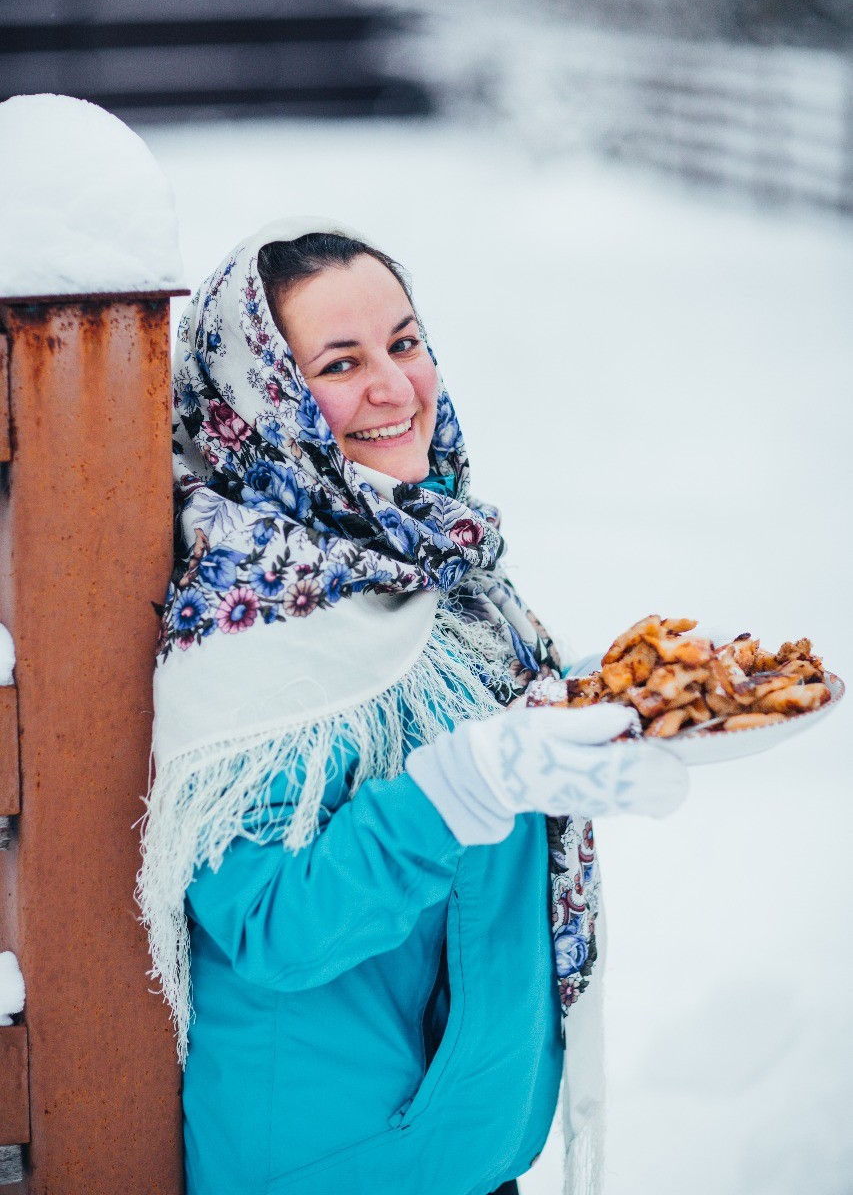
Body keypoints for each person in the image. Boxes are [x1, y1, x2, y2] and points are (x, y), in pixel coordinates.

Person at [137, 217, 688, 1195]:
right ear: (263, 400)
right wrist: (472, 778)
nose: (395, 385)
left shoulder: (434, 560)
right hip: (327, 1164)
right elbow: (270, 923)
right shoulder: (242, 612)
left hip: (456, 1146)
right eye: (340, 362)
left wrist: (609, 708)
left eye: (403, 341)